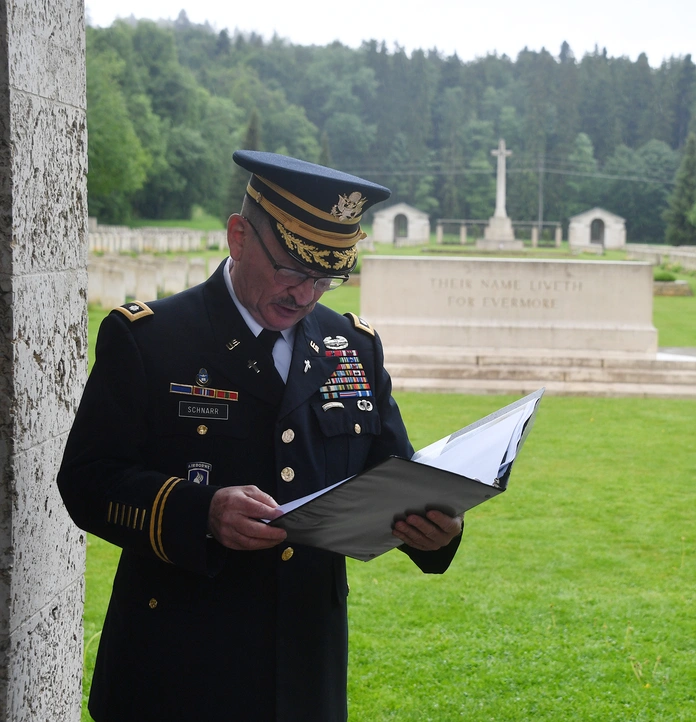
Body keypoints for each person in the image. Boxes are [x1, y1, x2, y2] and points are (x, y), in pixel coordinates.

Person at [57, 151, 464, 722]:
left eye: (327, 276)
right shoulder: (151, 340)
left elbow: (391, 473)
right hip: (176, 669)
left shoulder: (351, 347)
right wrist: (201, 512)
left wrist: (437, 528)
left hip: (304, 670)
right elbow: (87, 481)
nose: (306, 295)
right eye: (293, 270)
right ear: (238, 237)